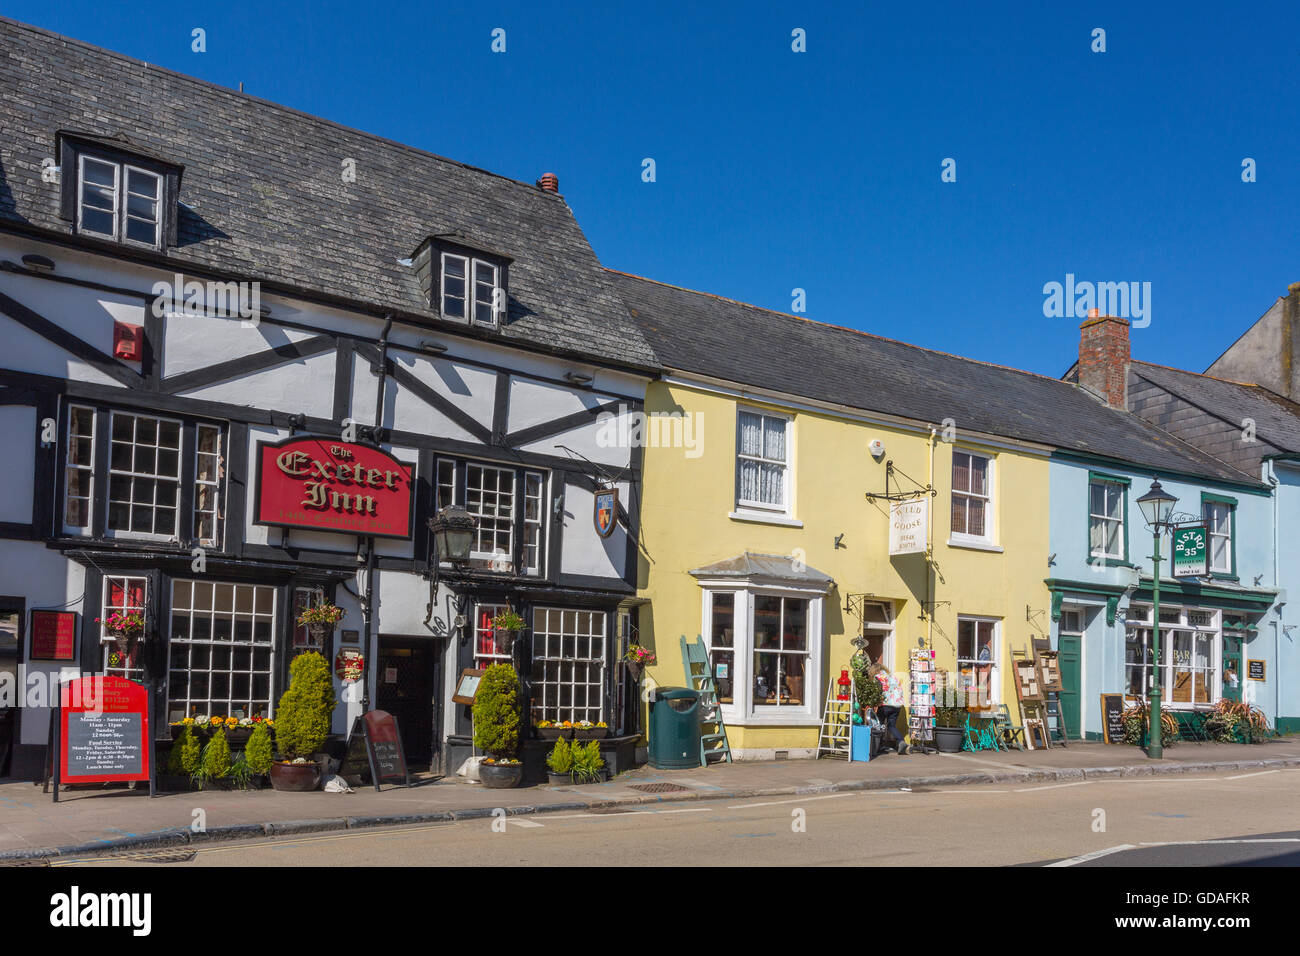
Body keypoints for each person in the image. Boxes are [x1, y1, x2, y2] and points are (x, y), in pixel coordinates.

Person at [872, 663, 908, 755]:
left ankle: (878, 745)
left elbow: (878, 691)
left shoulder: (877, 677)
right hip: (897, 705)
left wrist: (875, 703)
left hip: (885, 704)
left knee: (879, 725)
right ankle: (901, 741)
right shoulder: (892, 677)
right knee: (891, 726)